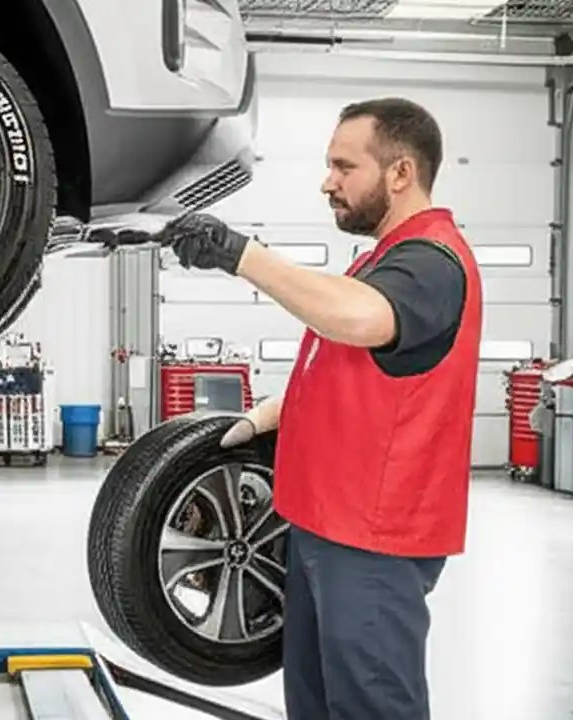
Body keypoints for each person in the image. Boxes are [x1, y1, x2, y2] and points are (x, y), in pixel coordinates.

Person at [155, 97, 482, 719]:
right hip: (321, 523)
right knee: (314, 701)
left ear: (400, 174)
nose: (327, 181)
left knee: (370, 704)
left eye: (343, 166)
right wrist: (263, 419)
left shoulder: (432, 261)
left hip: (372, 540)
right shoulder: (380, 259)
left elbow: (356, 319)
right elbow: (350, 373)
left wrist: (239, 255)